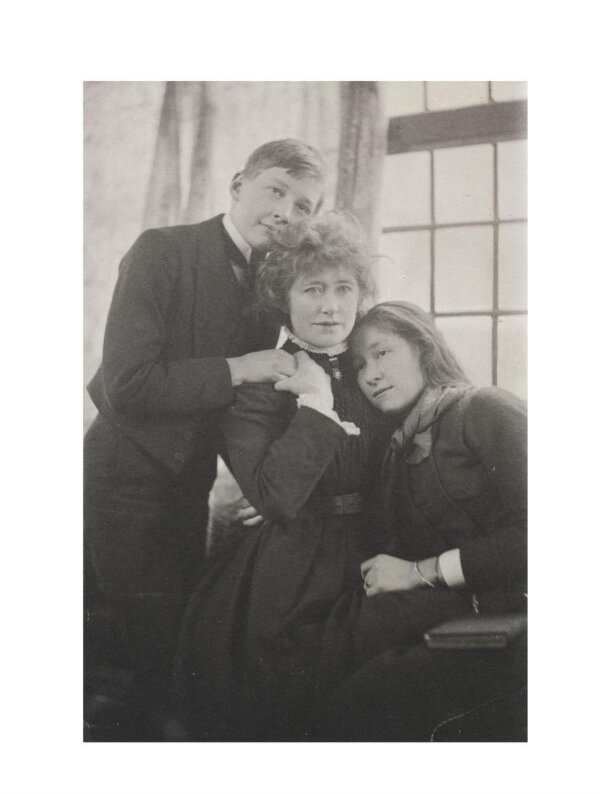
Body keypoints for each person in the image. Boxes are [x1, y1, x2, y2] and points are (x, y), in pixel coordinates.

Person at [84, 139, 327, 740]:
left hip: (187, 485)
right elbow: (126, 384)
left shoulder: (272, 279)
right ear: (238, 184)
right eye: (275, 191)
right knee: (153, 655)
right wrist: (242, 366)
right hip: (125, 481)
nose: (286, 213)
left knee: (178, 651)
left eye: (303, 206)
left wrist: (255, 477)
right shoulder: (162, 250)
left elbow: (239, 407)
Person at [172, 212, 394, 741]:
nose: (331, 305)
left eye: (344, 288)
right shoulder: (259, 382)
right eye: (312, 288)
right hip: (295, 569)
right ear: (283, 299)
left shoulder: (376, 369)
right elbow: (274, 497)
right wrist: (316, 403)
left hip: (379, 550)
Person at [316, 301, 527, 740]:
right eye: (359, 365)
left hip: (525, 620)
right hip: (462, 614)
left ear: (423, 349)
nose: (370, 373)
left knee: (362, 700)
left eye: (382, 353)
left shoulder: (484, 410)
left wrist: (420, 572)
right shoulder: (398, 447)